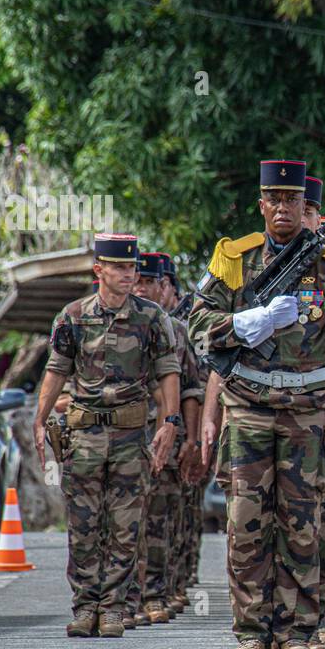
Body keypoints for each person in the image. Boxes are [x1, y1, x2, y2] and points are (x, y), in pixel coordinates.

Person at [188, 159, 325, 649]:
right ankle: (252, 632)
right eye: (274, 199)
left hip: (309, 414)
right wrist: (244, 323)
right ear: (262, 204)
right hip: (248, 410)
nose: (283, 209)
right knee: (246, 523)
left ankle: (298, 630)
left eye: (292, 200)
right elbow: (196, 323)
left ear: (305, 206)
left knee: (303, 525)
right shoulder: (234, 260)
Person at [34, 234, 180, 639]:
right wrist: (39, 418)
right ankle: (85, 606)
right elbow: (57, 370)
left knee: (125, 525)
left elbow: (169, 371)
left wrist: (170, 422)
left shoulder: (152, 318)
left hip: (132, 436)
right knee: (83, 526)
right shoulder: (73, 316)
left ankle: (114, 607)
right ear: (99, 270)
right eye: (119, 268)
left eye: (132, 268)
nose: (128, 275)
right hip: (83, 436)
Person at [124, 252, 203, 629]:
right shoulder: (108, 323)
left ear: (163, 286)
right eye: (134, 280)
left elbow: (191, 389)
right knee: (123, 522)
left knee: (160, 521)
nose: (139, 288)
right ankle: (121, 597)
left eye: (146, 282)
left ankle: (156, 591)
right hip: (121, 436)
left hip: (164, 437)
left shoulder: (177, 331)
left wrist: (190, 440)